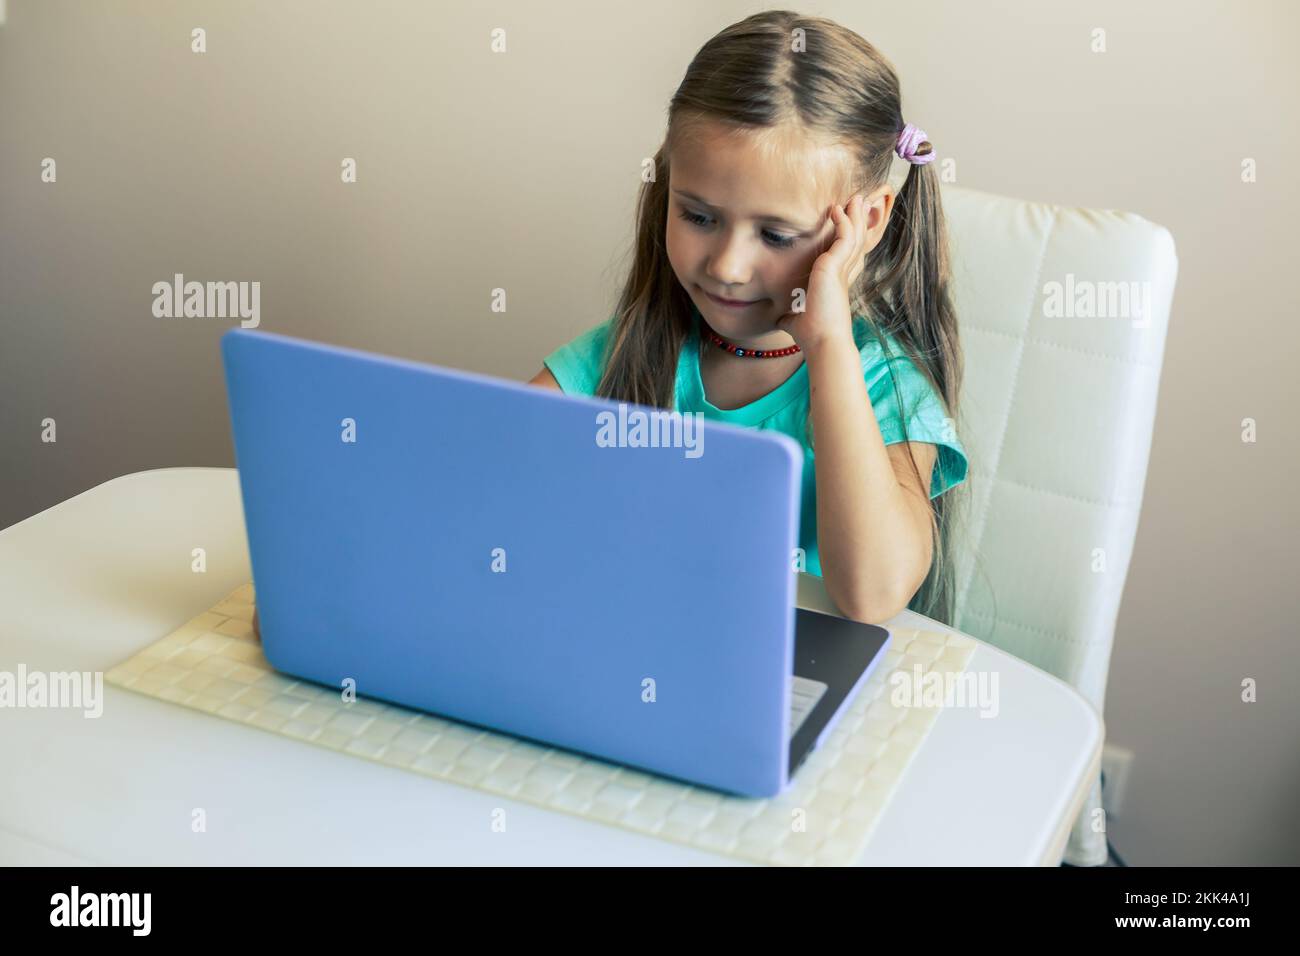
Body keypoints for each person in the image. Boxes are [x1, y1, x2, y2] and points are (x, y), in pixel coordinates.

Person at [527, 10, 969, 625]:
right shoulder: (624, 352)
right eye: (699, 217)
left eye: (777, 233)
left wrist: (829, 344)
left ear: (864, 225)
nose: (728, 266)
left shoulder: (883, 388)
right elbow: (489, 485)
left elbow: (871, 595)